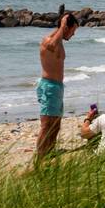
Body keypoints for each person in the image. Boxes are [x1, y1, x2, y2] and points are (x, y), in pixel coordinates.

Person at [34, 11, 79, 163]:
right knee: (47, 125)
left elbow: (56, 41)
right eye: (73, 31)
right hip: (49, 87)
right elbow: (52, 45)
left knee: (56, 125)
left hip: (57, 87)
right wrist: (62, 25)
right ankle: (40, 158)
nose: (73, 35)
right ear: (66, 27)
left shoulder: (56, 40)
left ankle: (49, 152)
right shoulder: (49, 42)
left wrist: (62, 27)